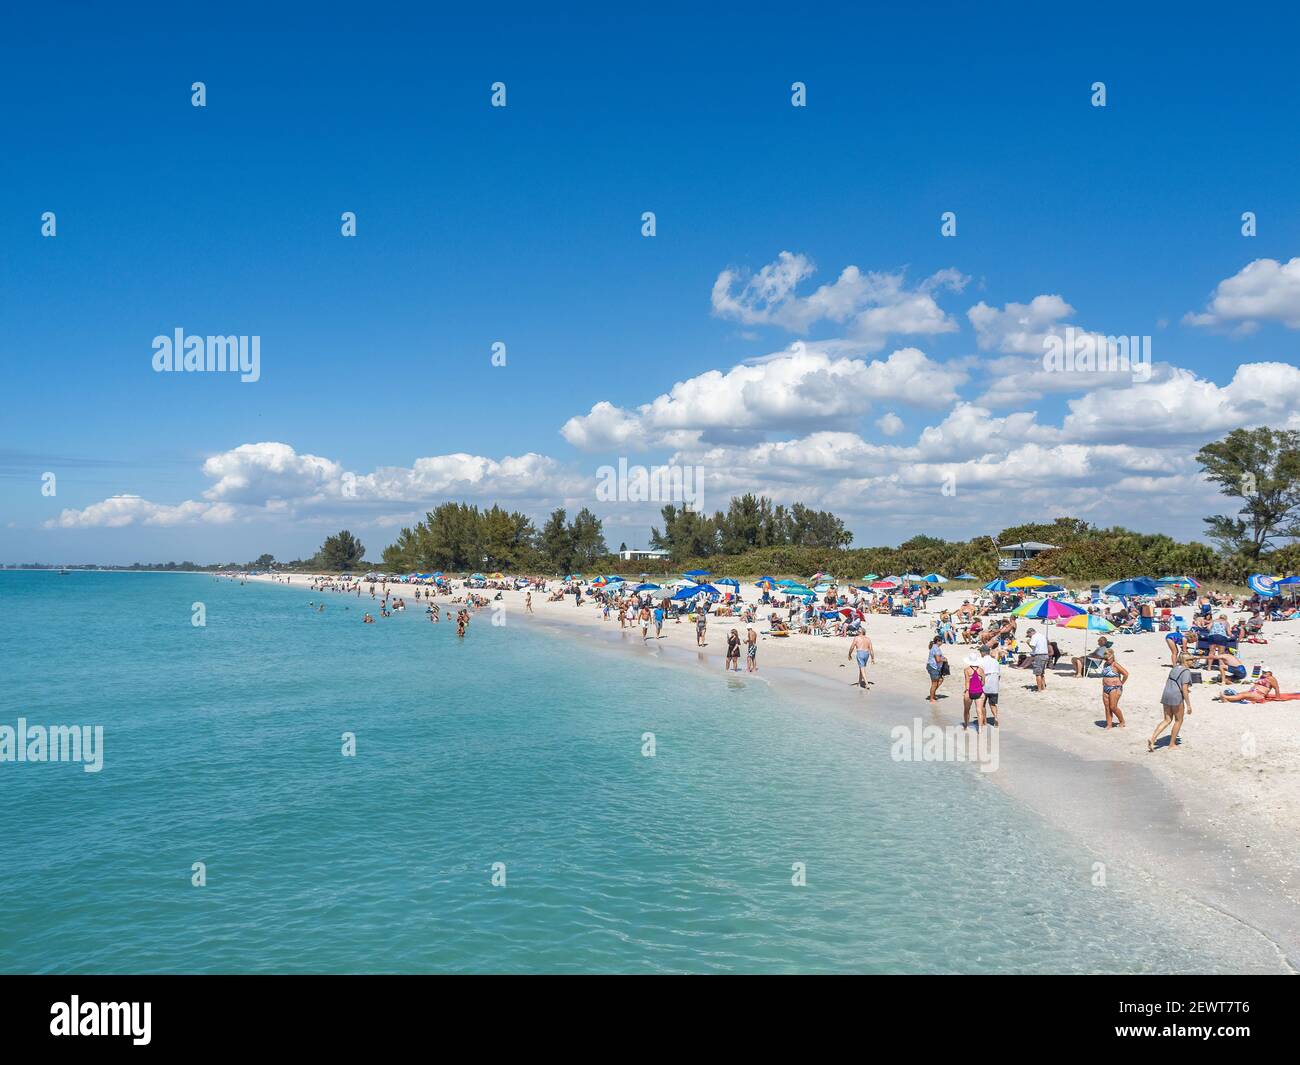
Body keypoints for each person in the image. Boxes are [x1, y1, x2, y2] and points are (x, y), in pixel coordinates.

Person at [1150, 653, 1193, 751]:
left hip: (1166, 693)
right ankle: (1172, 744)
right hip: (1176, 696)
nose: (1193, 661)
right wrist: (1188, 705)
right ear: (1185, 661)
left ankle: (1153, 738)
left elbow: (1170, 682)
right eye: (1191, 660)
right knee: (1179, 720)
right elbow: (1184, 688)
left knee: (1167, 720)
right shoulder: (1186, 671)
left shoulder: (1174, 668)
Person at [1098, 648, 1127, 728]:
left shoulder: (1115, 665)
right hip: (1105, 688)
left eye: (1107, 659)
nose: (1106, 661)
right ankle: (1109, 724)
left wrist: (1121, 683)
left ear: (1112, 656)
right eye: (1104, 659)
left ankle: (1122, 721)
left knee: (1113, 707)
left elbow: (1126, 674)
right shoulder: (1105, 665)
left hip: (1115, 688)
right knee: (1107, 707)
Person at [979, 645, 1001, 726]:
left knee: (983, 704)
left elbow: (980, 675)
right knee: (993, 704)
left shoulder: (980, 661)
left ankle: (984, 721)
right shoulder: (995, 661)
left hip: (985, 685)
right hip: (994, 684)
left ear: (982, 653)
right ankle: (995, 717)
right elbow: (999, 675)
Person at [962, 653, 985, 730]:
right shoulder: (981, 670)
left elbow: (967, 681)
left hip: (970, 692)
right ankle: (980, 730)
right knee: (979, 711)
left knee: (966, 710)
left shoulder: (966, 670)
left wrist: (967, 690)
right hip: (980, 692)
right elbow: (983, 682)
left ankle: (966, 726)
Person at [1027, 626, 1049, 691]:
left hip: (1039, 655)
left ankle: (1039, 689)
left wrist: (1028, 642)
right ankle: (1043, 687)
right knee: (1042, 673)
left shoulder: (1034, 636)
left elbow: (1033, 646)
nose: (1029, 637)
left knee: (1037, 673)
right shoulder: (1042, 635)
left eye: (1029, 635)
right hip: (1045, 655)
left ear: (1030, 633)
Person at [926, 637, 947, 702]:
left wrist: (943, 658)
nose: (942, 643)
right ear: (938, 641)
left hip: (933, 667)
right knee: (934, 683)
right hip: (933, 667)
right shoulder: (936, 649)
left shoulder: (934, 647)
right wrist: (944, 659)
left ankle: (933, 694)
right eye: (941, 641)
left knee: (940, 680)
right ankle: (931, 698)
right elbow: (938, 660)